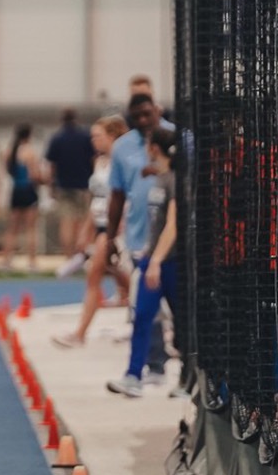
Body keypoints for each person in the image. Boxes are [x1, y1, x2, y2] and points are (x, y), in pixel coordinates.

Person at [107, 127, 181, 397]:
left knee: (185, 325)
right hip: (153, 259)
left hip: (171, 263)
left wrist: (156, 261)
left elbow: (173, 225)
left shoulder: (175, 181)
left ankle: (189, 379)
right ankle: (133, 375)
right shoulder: (160, 178)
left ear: (153, 148)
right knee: (142, 316)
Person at [52, 115, 134, 348]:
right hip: (99, 224)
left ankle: (80, 333)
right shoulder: (99, 163)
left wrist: (117, 229)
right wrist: (85, 230)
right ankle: (146, 314)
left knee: (93, 275)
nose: (94, 141)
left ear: (113, 136)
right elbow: (96, 197)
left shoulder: (124, 162)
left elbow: (124, 197)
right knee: (116, 274)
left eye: (98, 136)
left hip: (114, 227)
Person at [44, 108, 95, 263]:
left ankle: (68, 257)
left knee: (66, 222)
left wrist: (50, 186)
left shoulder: (56, 138)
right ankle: (80, 257)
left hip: (64, 185)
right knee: (82, 222)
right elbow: (93, 159)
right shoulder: (85, 136)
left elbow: (51, 165)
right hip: (83, 184)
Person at [0, 123, 45, 271]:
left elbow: (8, 171)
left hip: (16, 190)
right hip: (28, 190)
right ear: (29, 136)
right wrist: (43, 180)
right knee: (31, 228)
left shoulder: (9, 151)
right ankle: (31, 262)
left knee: (12, 228)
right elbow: (34, 175)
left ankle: (7, 261)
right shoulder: (29, 152)